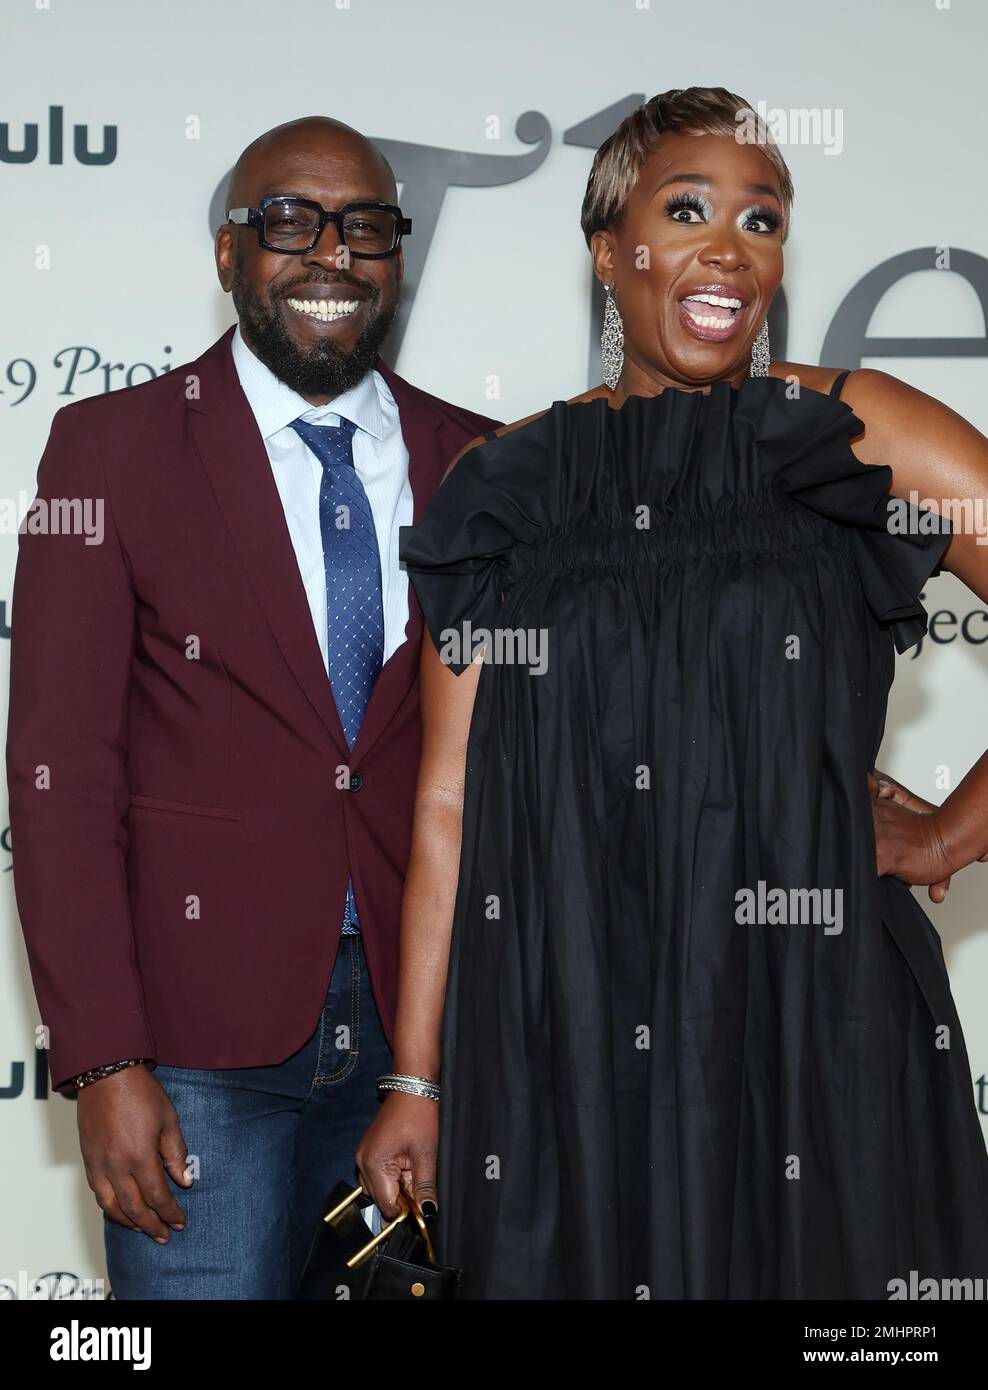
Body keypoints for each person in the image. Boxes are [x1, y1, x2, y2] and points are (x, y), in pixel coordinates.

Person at [357, 87, 988, 1299]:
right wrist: (417, 1076)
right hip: (571, 1028)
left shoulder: (850, 432)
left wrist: (951, 830)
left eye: (762, 219)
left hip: (809, 1014)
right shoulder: (506, 483)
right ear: (611, 253)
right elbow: (445, 805)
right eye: (686, 208)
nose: (727, 247)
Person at [6, 115, 500, 1300]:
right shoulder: (106, 452)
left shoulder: (482, 462)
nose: (331, 252)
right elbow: (59, 777)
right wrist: (104, 1062)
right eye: (289, 219)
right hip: (194, 1051)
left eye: (366, 225)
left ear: (397, 258)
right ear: (229, 253)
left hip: (421, 1034)